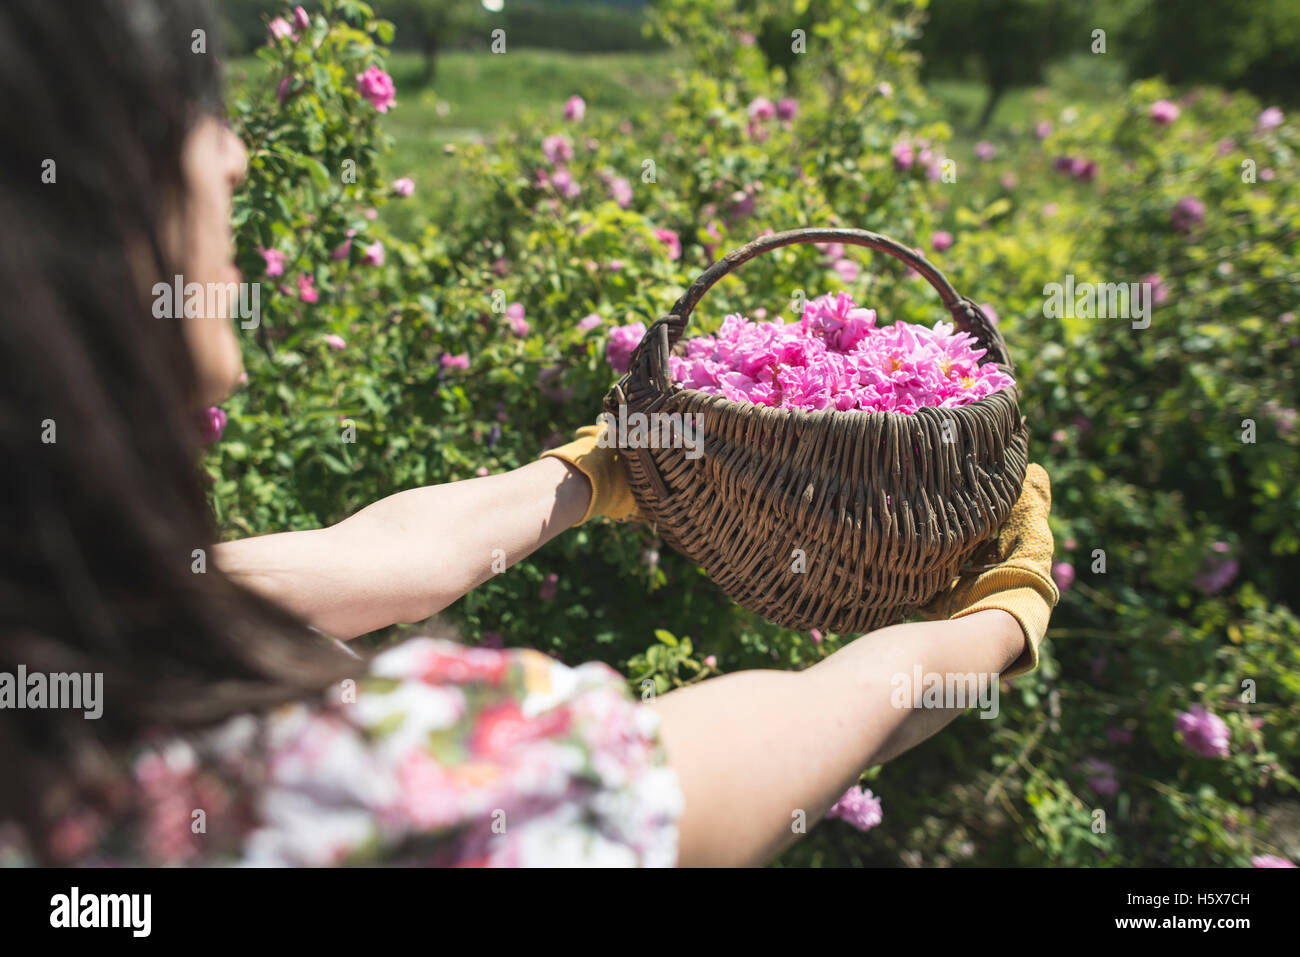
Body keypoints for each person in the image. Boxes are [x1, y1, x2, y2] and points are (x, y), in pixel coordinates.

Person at [0, 0, 1058, 867]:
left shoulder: (75, 627)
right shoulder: (335, 787)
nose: (231, 152)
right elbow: (790, 740)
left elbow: (367, 563)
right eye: (185, 108)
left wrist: (589, 475)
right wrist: (1000, 618)